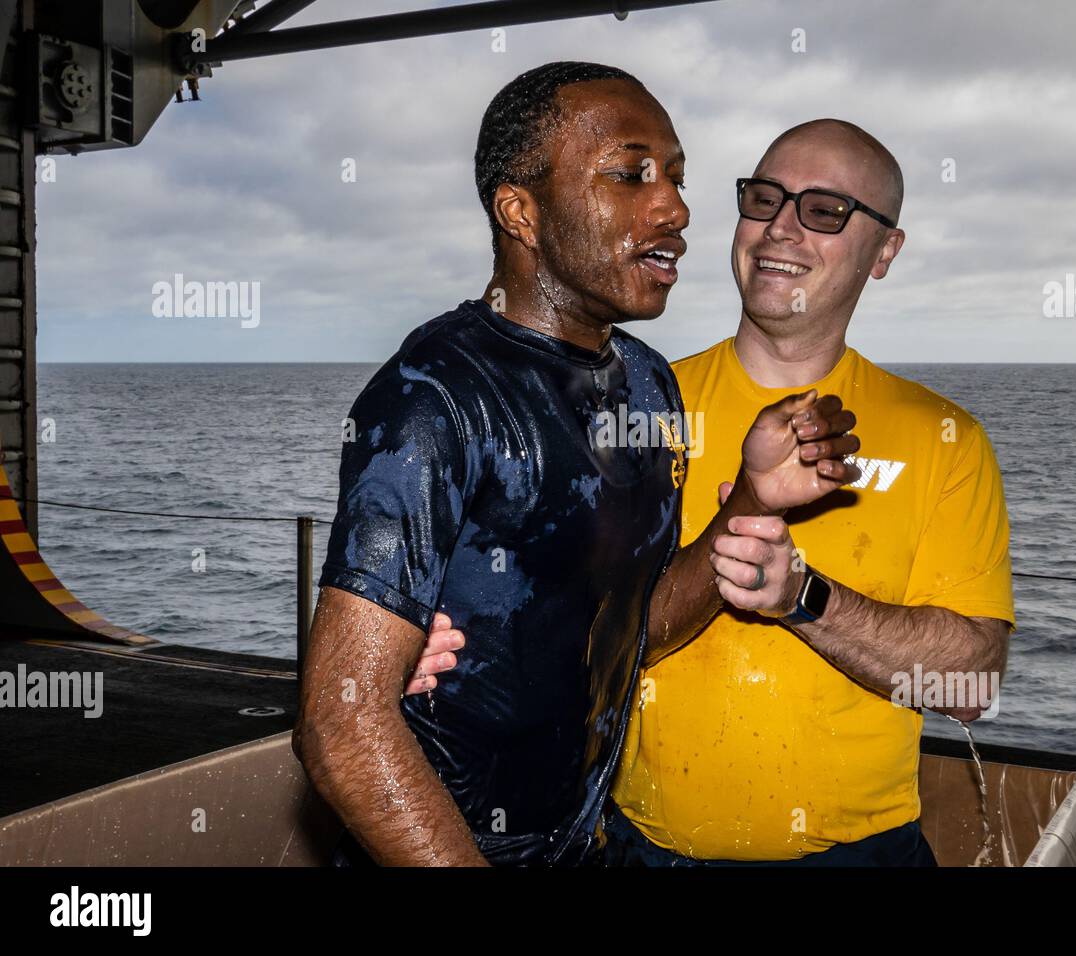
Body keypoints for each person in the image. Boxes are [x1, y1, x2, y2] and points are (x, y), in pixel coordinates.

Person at [292, 64, 861, 867]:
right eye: (630, 175)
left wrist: (754, 499)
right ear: (521, 212)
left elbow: (631, 628)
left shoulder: (650, 385)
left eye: (675, 177)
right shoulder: (433, 397)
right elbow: (341, 722)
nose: (676, 208)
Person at [602, 119, 1017, 866]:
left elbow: (970, 681)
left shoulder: (945, 438)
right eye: (764, 199)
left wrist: (803, 597)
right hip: (637, 847)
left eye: (825, 211)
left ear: (884, 251)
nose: (780, 229)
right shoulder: (634, 407)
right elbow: (582, 640)